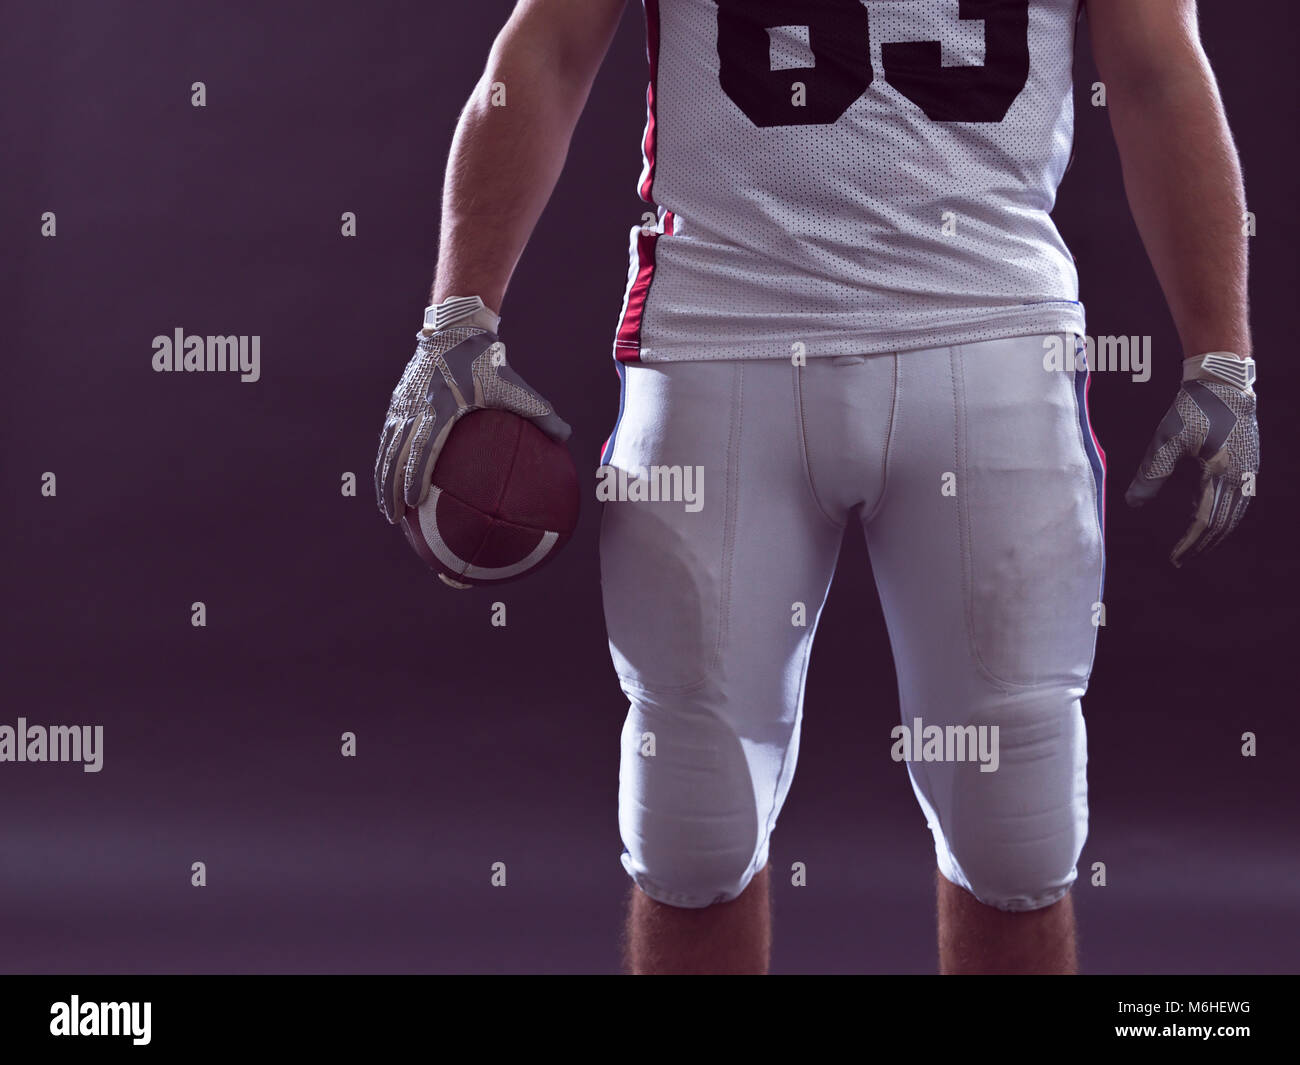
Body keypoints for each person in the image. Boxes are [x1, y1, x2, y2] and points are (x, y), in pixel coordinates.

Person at [375, 0, 1259, 974]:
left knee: (1016, 830)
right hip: (724, 332)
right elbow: (544, 46)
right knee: (692, 827)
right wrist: (456, 316)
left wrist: (1221, 356)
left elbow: (1156, 68)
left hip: (986, 336)